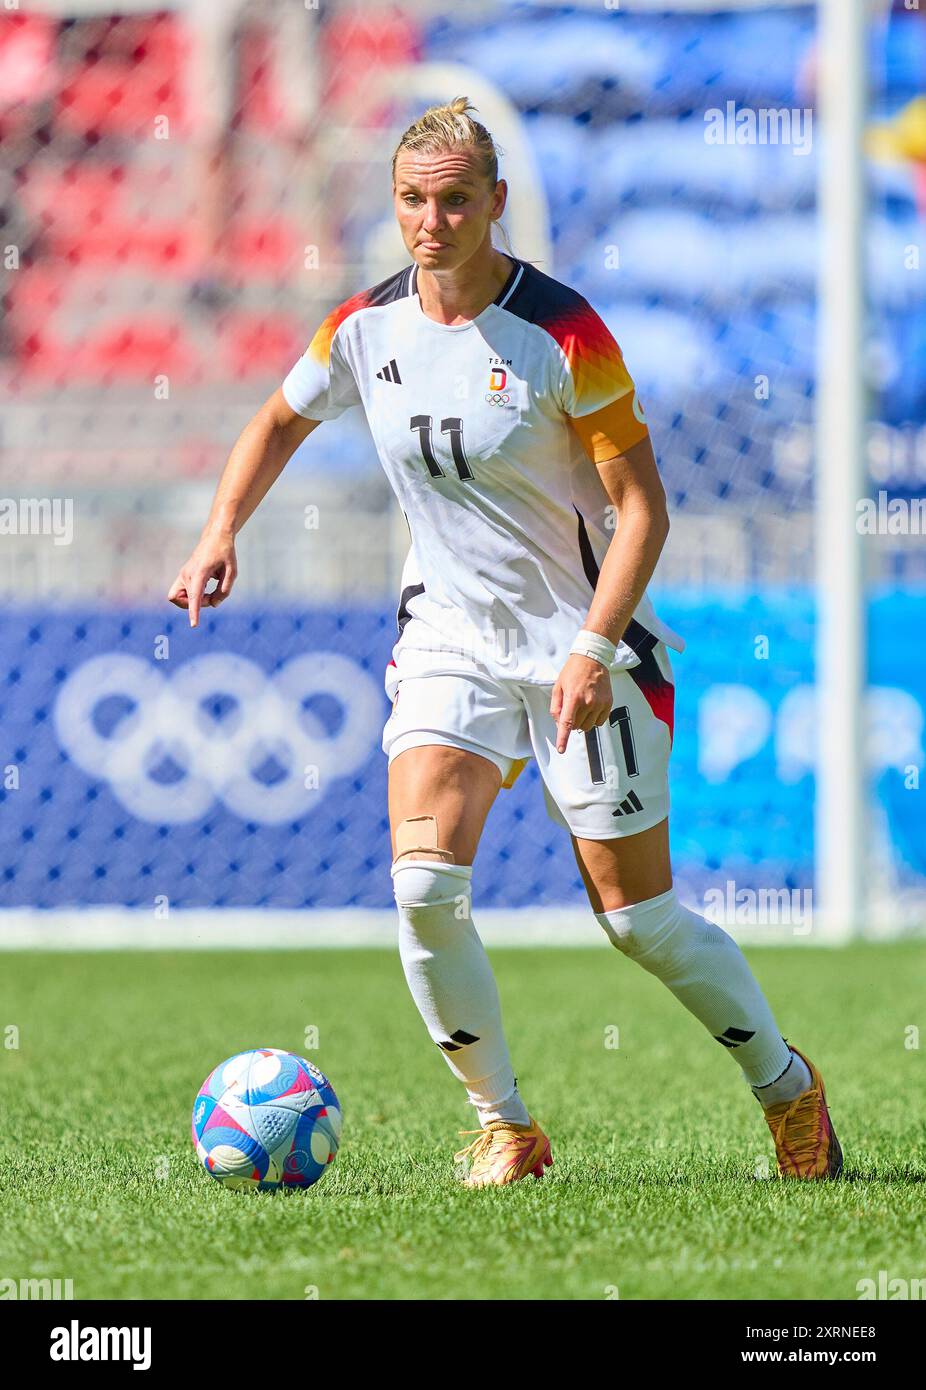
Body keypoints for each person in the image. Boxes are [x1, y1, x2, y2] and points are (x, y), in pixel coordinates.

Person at [168, 97, 842, 1188]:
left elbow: (642, 511)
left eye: (452, 201)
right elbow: (278, 419)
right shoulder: (361, 329)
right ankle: (506, 1128)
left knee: (638, 921)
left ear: (494, 204)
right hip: (446, 636)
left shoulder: (561, 335)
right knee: (424, 885)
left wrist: (588, 645)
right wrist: (218, 530)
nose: (429, 224)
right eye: (410, 202)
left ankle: (784, 1087)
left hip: (585, 645)